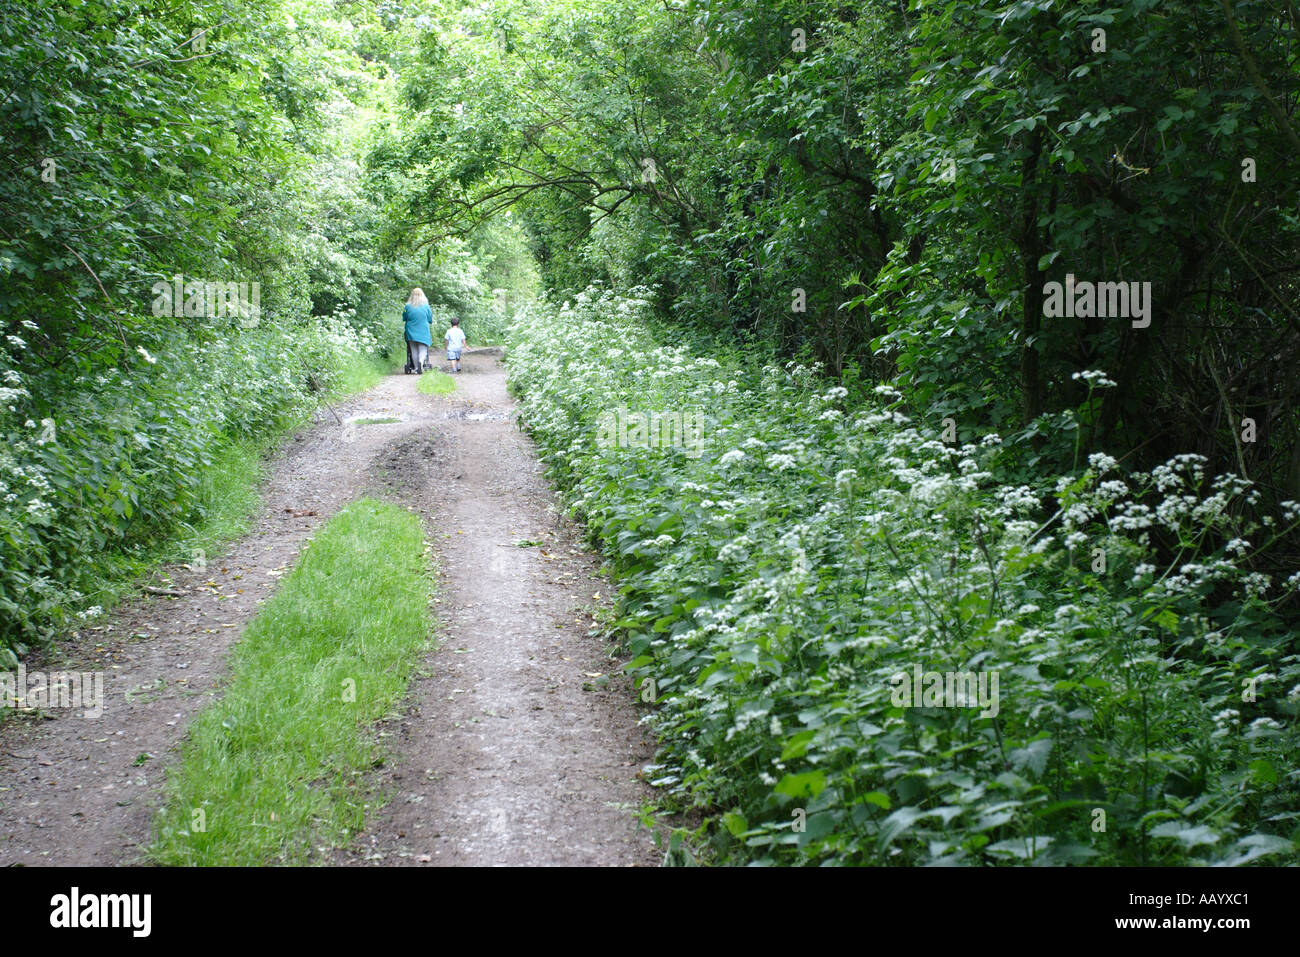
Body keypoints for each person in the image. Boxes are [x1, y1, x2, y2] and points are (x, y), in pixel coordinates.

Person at [403, 288, 433, 374]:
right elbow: (430, 319)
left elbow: (404, 318)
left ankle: (416, 367)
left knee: (413, 350)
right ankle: (421, 361)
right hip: (423, 330)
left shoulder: (407, 307)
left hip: (411, 330)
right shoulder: (426, 306)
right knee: (423, 349)